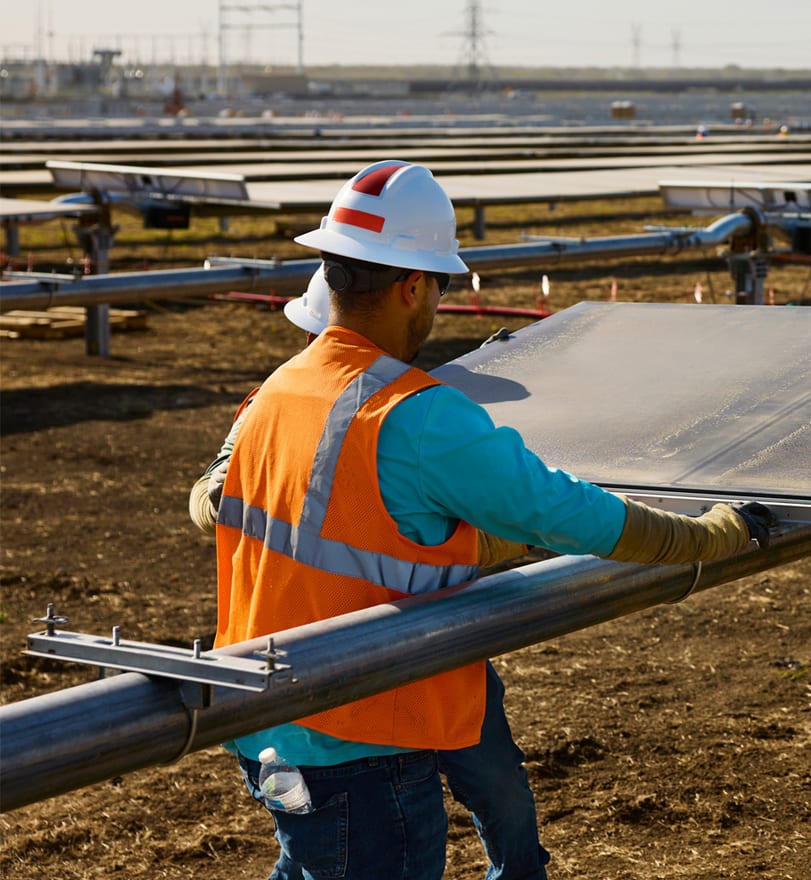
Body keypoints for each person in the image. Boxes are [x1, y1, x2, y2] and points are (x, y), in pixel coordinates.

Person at [212, 159, 775, 880]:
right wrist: (714, 533)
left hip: (272, 722)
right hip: (365, 740)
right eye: (440, 287)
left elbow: (328, 528)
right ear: (413, 284)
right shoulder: (416, 416)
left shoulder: (279, 391)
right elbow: (582, 519)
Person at [190, 265, 547, 880]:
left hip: (440, 641)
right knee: (338, 834)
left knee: (496, 788)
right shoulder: (273, 405)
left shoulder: (407, 409)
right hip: (341, 660)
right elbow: (211, 493)